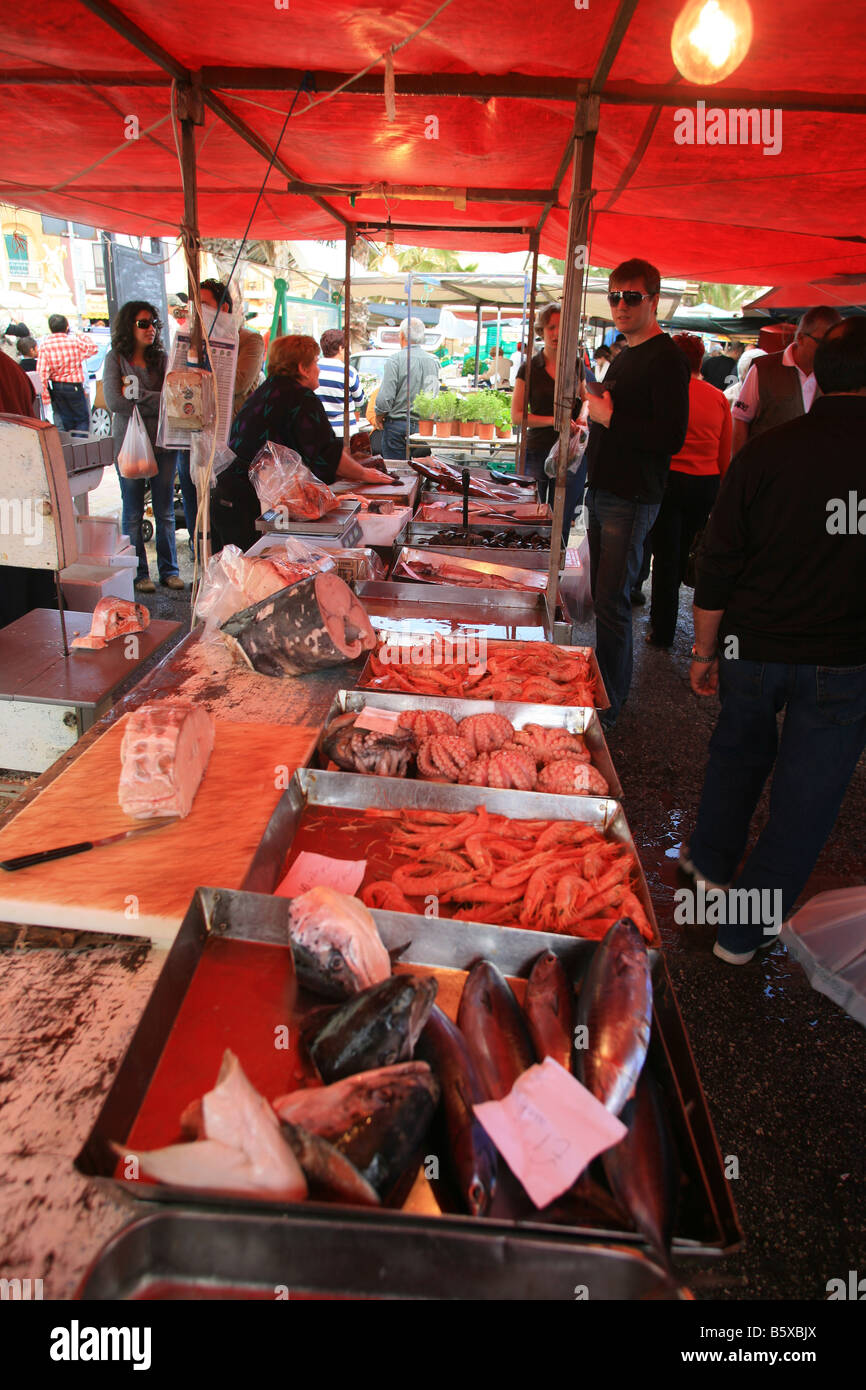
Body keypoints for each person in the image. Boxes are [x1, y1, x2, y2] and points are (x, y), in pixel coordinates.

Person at [681, 317, 866, 965]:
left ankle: (706, 871)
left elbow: (718, 560)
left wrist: (704, 650)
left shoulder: (769, 450)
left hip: (750, 647)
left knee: (736, 755)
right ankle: (740, 931)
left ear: (819, 374)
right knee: (805, 798)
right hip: (844, 661)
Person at [582, 258, 690, 730]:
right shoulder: (624, 352)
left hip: (631, 496)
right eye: (614, 296)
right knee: (603, 599)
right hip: (605, 489)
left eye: (631, 297)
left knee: (612, 601)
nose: (620, 306)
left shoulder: (667, 358)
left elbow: (670, 437)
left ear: (654, 299)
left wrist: (609, 419)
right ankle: (604, 689)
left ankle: (609, 704)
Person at [215, 334, 390, 551]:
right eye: (315, 362)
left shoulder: (269, 389)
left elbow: (320, 450)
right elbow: (328, 457)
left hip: (228, 495)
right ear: (302, 368)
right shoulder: (300, 398)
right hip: (248, 502)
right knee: (255, 568)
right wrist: (366, 475)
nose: (318, 369)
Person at [645, 333, 731, 649]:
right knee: (693, 556)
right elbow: (725, 454)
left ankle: (663, 631)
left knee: (665, 559)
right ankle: (705, 634)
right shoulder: (719, 398)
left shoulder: (668, 394)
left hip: (669, 483)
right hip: (706, 485)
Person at [103, 301, 183, 594]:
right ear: (129, 327)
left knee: (165, 511)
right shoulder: (115, 359)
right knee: (133, 511)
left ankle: (169, 571)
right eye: (143, 323)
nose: (150, 329)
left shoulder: (162, 359)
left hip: (163, 444)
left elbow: (172, 399)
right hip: (130, 446)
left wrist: (138, 397)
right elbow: (114, 402)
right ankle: (138, 574)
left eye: (154, 323)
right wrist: (154, 399)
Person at [511, 303, 584, 544]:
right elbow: (517, 415)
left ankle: (557, 567)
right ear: (542, 331)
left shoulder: (577, 364)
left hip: (570, 452)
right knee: (533, 511)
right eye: (551, 327)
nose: (556, 333)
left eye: (562, 327)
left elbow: (587, 399)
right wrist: (554, 421)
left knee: (562, 516)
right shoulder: (529, 367)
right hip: (537, 450)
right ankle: (535, 563)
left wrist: (582, 416)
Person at [730, 306, 843, 457]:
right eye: (822, 342)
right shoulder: (763, 369)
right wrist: (739, 466)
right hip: (766, 468)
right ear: (801, 338)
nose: (829, 350)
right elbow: (741, 419)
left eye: (835, 344)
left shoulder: (835, 376)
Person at [198, 279, 265, 419]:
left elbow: (239, 383)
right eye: (196, 306)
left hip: (234, 425)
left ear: (223, 308)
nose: (200, 311)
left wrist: (200, 378)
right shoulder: (197, 340)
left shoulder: (249, 340)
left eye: (204, 305)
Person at [375, 317, 440, 459]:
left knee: (397, 474)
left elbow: (385, 398)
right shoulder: (433, 361)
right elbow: (434, 396)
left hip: (396, 427)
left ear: (402, 335)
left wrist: (379, 416)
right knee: (420, 473)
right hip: (421, 428)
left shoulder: (395, 360)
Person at [36, 313, 98, 432]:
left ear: (51, 328)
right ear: (66, 327)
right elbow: (93, 348)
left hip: (57, 387)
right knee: (81, 420)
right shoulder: (74, 342)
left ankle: (70, 447)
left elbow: (42, 373)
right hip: (74, 387)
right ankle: (80, 445)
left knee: (66, 421)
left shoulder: (45, 346)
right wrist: (80, 334)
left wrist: (45, 397)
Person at [315, 329, 365, 438]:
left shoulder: (313, 369)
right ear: (340, 348)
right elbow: (360, 402)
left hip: (318, 430)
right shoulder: (348, 372)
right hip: (344, 432)